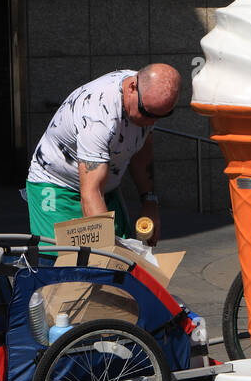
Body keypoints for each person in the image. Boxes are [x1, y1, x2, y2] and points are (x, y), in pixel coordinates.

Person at [26, 65, 180, 246]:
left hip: (104, 187)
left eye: (162, 115)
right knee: (63, 260)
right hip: (57, 186)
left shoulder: (147, 96)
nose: (151, 122)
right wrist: (106, 251)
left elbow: (141, 152)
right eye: (146, 113)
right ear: (132, 87)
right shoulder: (97, 116)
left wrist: (150, 202)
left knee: (121, 259)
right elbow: (90, 192)